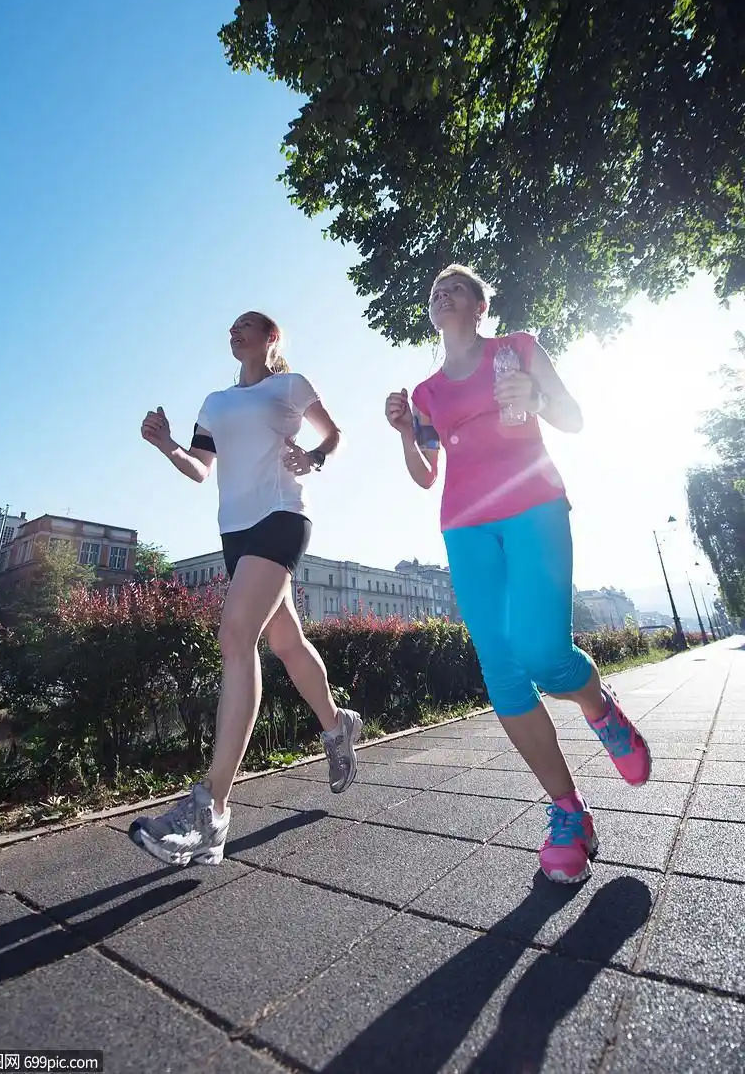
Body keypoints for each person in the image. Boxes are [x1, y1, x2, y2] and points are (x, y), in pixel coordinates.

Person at [385, 264, 650, 884]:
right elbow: (425, 475)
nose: (441, 292)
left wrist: (536, 401)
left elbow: (573, 417)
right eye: (435, 289)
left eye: (456, 286)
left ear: (480, 306)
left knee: (545, 656)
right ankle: (569, 814)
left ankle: (600, 708)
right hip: (466, 526)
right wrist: (405, 434)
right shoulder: (426, 393)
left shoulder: (518, 349)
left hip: (533, 505)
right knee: (502, 671)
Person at [130, 310, 362, 867]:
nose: (233, 332)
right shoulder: (214, 403)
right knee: (285, 642)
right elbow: (200, 468)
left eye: (245, 326)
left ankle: (210, 810)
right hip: (235, 532)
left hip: (282, 515)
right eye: (230, 328)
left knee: (236, 637)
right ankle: (337, 725)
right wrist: (166, 444)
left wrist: (314, 457)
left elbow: (335, 434)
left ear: (270, 337)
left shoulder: (291, 386)